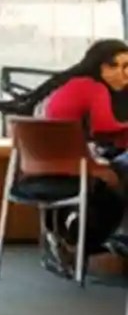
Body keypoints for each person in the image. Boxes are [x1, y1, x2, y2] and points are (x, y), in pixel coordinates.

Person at [21, 39, 128, 269]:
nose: (124, 75)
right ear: (101, 67)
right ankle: (82, 244)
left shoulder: (68, 83)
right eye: (117, 67)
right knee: (119, 176)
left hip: (37, 169)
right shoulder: (94, 87)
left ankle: (68, 238)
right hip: (72, 168)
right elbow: (104, 127)